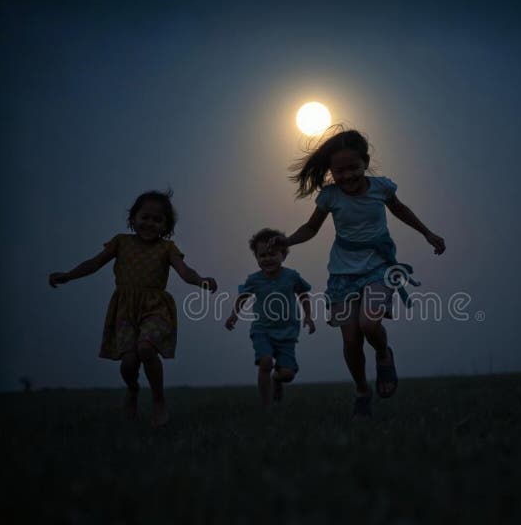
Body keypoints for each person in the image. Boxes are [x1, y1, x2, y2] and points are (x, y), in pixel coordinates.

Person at [270, 126, 445, 417]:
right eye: (339, 171)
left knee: (369, 325)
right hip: (342, 274)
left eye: (353, 167)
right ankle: (362, 389)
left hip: (379, 267)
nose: (347, 176)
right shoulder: (330, 197)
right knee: (350, 339)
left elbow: (401, 210)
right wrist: (287, 241)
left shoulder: (382, 188)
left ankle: (383, 354)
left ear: (365, 161)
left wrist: (428, 233)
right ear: (331, 172)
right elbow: (312, 228)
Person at [49, 189, 217, 427]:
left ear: (166, 225)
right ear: (133, 218)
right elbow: (94, 263)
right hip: (125, 309)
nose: (149, 223)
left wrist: (202, 281)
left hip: (155, 307)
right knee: (128, 362)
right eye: (145, 217)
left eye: (157, 219)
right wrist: (68, 275)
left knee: (146, 349)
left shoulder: (167, 248)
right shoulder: (121, 242)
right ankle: (133, 389)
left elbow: (184, 271)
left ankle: (159, 401)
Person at [226, 228, 315, 406]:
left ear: (283, 255)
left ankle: (277, 379)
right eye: (262, 255)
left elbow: (303, 294)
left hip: (288, 332)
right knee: (265, 361)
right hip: (262, 330)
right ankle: (266, 405)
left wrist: (308, 316)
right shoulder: (254, 279)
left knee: (288, 374)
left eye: (272, 254)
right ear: (257, 258)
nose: (267, 259)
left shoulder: (291, 276)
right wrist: (234, 315)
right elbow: (243, 297)